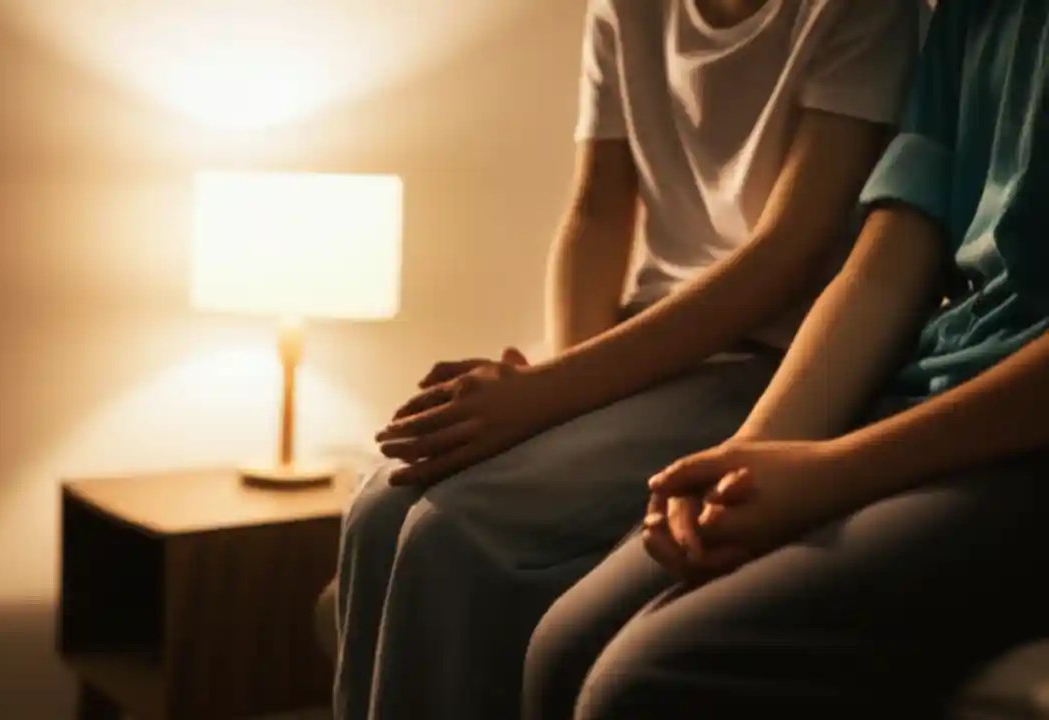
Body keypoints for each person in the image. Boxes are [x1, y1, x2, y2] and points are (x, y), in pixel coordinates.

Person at [333, 2, 922, 718]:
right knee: (379, 504)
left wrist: (550, 392)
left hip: (775, 360)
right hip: (647, 343)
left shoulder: (859, 12)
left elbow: (788, 251)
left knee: (451, 530)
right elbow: (597, 211)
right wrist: (561, 384)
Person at [522, 0, 1049, 717]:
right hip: (920, 400)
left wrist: (838, 470)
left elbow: (791, 247)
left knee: (645, 682)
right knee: (563, 644)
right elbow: (886, 266)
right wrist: (749, 455)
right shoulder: (974, 15)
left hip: (1014, 453)